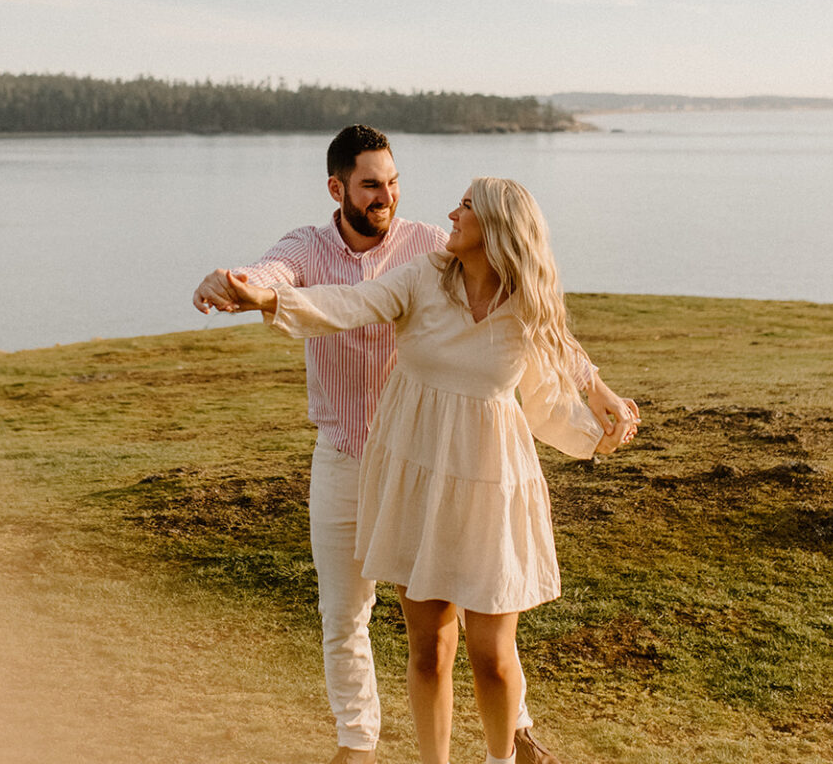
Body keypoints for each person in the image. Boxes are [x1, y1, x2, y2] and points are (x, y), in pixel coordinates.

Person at [192, 126, 637, 764]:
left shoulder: (444, 250)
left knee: (489, 630)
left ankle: (512, 736)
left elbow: (549, 343)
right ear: (338, 188)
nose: (390, 196)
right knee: (373, 623)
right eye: (372, 184)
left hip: (468, 471)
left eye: (393, 182)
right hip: (370, 458)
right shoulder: (355, 257)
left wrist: (599, 398)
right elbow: (330, 298)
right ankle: (360, 745)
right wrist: (251, 290)